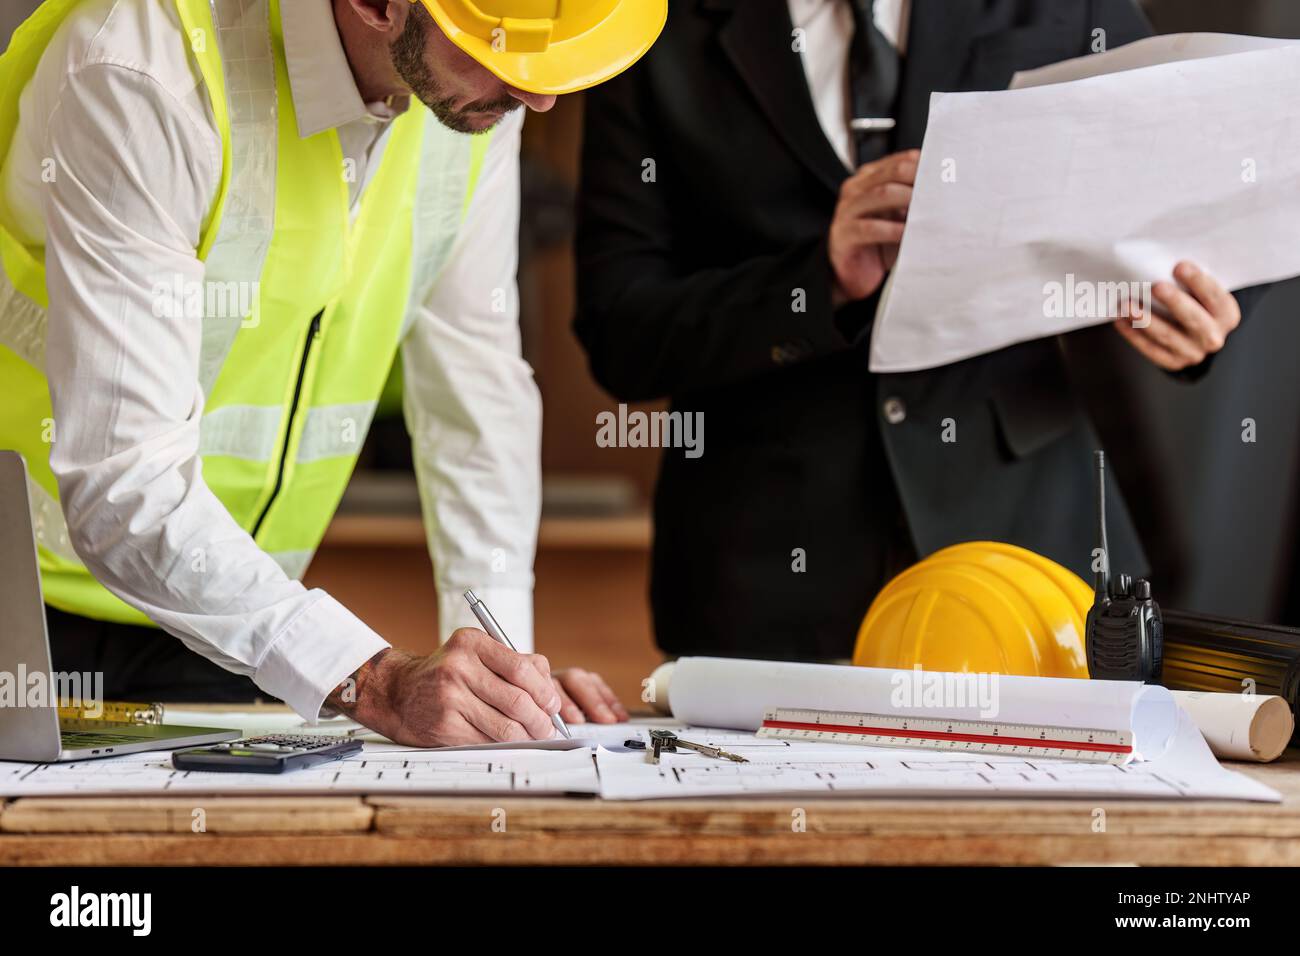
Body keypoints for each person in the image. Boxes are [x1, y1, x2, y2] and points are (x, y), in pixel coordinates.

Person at [0, 0, 663, 743]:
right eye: (495, 46)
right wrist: (372, 680)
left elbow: (477, 398)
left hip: (225, 616)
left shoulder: (473, 105)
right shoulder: (147, 67)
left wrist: (505, 684)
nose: (540, 95)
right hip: (18, 605)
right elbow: (123, 476)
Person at [574, 0, 1263, 663]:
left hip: (1032, 568)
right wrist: (817, 283)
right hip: (765, 589)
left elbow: (1195, 182)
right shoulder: (648, 30)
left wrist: (1204, 316)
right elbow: (619, 329)